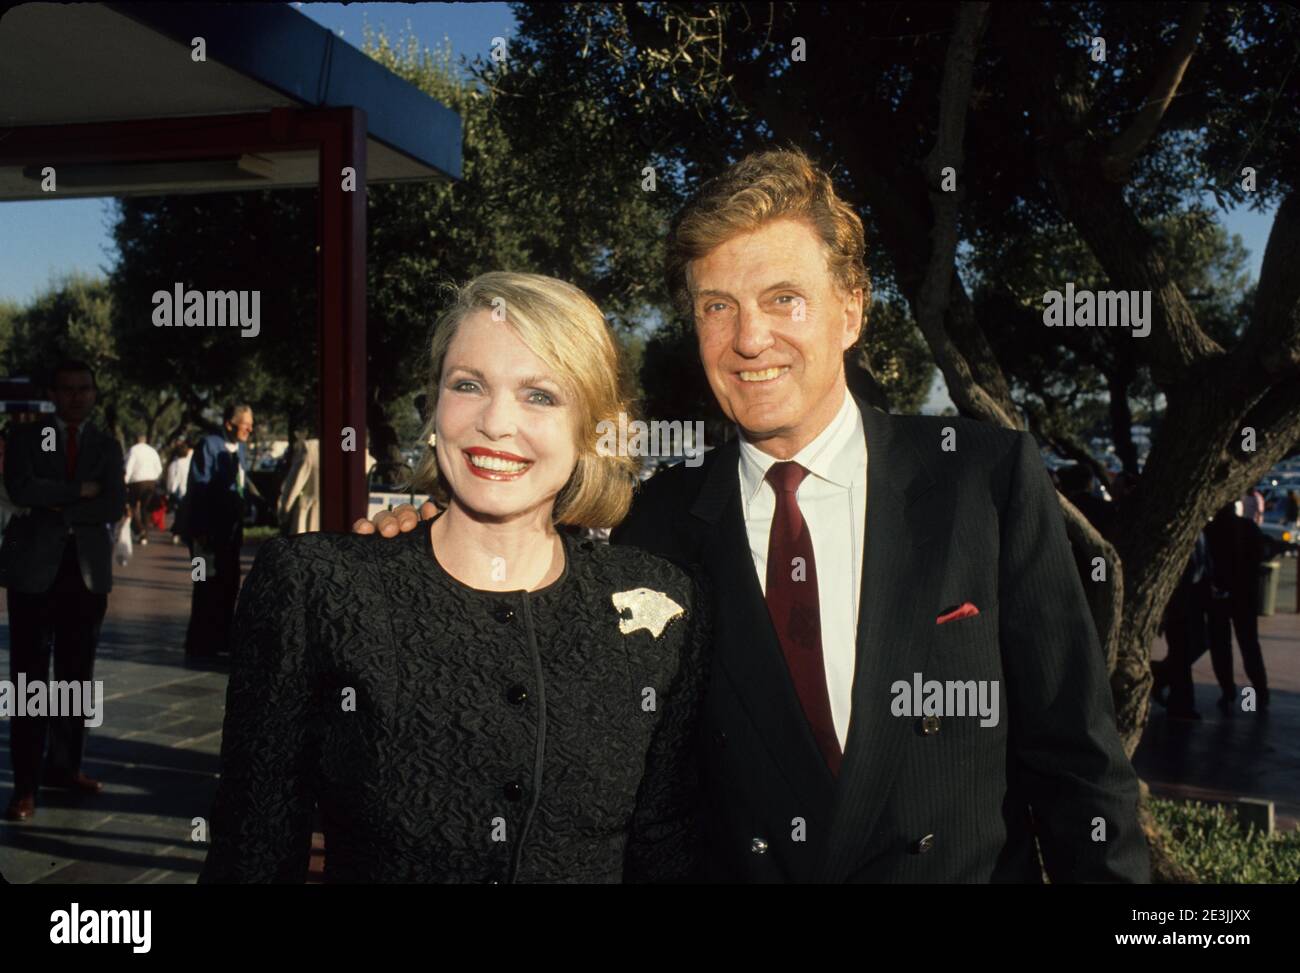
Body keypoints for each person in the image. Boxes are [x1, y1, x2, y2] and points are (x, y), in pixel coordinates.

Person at [364, 149, 1148, 883]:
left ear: (851, 308)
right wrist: (431, 542)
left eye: (783, 299)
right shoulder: (652, 525)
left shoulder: (984, 479)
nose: (748, 338)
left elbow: (1079, 768)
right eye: (718, 306)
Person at [201, 273, 707, 883]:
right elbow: (250, 855)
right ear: (436, 404)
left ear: (591, 428)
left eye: (540, 395)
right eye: (468, 385)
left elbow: (666, 846)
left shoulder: (658, 609)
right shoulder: (317, 587)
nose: (495, 422)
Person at [0, 360, 125, 821]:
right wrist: (79, 492)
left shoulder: (107, 446)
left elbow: (114, 500)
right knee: (31, 681)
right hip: (34, 572)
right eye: (67, 388)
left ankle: (66, 766)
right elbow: (21, 487)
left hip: (86, 573)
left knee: (76, 676)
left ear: (94, 394)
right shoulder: (25, 438)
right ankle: (25, 786)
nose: (76, 397)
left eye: (85, 389)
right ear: (52, 392)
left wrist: (58, 502)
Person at [183, 405, 254, 659]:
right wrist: (200, 529)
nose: (250, 428)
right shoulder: (209, 446)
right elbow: (199, 486)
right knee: (204, 583)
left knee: (228, 582)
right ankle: (199, 642)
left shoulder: (241, 449)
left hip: (230, 533)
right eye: (245, 423)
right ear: (229, 424)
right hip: (204, 534)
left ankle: (222, 638)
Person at [1204, 501, 1284, 712]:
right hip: (1244, 595)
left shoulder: (1210, 531)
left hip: (1219, 596)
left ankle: (1228, 691)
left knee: (1221, 647)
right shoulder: (1248, 528)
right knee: (1249, 645)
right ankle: (1259, 691)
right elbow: (1260, 554)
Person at [1151, 529, 1214, 720]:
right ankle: (1180, 702)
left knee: (1194, 645)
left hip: (1193, 595)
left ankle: (1160, 677)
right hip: (1180, 598)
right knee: (1182, 650)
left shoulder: (1200, 532)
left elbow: (1203, 562)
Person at [276, 433, 320, 535]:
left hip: (310, 520)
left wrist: (283, 511)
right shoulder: (358, 450)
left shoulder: (311, 448)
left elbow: (293, 484)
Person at [123, 433, 162, 544]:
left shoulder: (133, 450)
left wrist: (125, 482)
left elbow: (128, 467)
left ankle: (139, 529)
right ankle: (145, 533)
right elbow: (159, 468)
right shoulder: (152, 451)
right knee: (147, 509)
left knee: (132, 506)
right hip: (150, 482)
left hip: (136, 482)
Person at [165, 441, 193, 545]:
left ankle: (177, 533)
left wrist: (170, 491)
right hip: (189, 491)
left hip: (179, 493)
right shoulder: (190, 462)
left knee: (179, 514)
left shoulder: (174, 464)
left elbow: (172, 480)